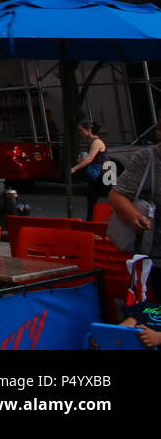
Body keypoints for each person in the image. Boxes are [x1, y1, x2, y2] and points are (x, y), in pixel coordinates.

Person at [108, 138, 159, 346]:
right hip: (156, 255)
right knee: (146, 312)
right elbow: (117, 194)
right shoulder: (148, 158)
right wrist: (133, 217)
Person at [70, 120, 107, 221]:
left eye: (81, 130)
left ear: (89, 130)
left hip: (99, 174)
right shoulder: (92, 142)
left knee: (93, 199)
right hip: (96, 174)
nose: (80, 133)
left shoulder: (96, 142)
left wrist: (75, 168)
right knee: (91, 199)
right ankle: (91, 221)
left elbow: (90, 158)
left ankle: (92, 222)